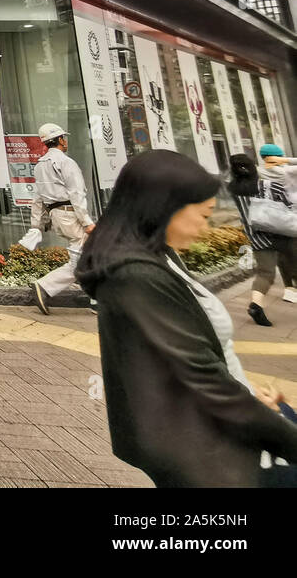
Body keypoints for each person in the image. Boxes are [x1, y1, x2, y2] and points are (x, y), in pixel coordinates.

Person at [77, 149, 297, 487]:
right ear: (164, 208)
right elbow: (203, 378)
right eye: (203, 214)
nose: (206, 227)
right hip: (210, 447)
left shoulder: (155, 258)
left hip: (227, 426)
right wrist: (282, 435)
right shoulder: (135, 276)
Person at [28, 123, 96, 315]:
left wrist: (36, 225)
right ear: (59, 140)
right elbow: (77, 193)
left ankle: (97, 299)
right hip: (70, 214)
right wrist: (87, 222)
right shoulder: (66, 163)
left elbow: (38, 198)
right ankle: (45, 286)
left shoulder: (40, 166)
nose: (65, 141)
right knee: (83, 259)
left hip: (56, 215)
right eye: (63, 138)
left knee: (87, 256)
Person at [253, 144, 297, 315]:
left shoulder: (257, 172)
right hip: (291, 218)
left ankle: (289, 289)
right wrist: (286, 160)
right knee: (294, 251)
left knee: (282, 254)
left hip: (269, 219)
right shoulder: (288, 171)